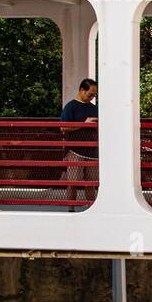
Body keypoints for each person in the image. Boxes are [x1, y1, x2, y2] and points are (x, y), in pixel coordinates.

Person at [60, 79, 98, 207]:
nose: (92, 97)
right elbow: (63, 127)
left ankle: (91, 207)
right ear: (82, 90)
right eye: (90, 95)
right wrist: (83, 124)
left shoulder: (94, 108)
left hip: (92, 151)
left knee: (91, 182)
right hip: (74, 149)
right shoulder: (70, 106)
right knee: (72, 181)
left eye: (94, 95)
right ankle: (71, 208)